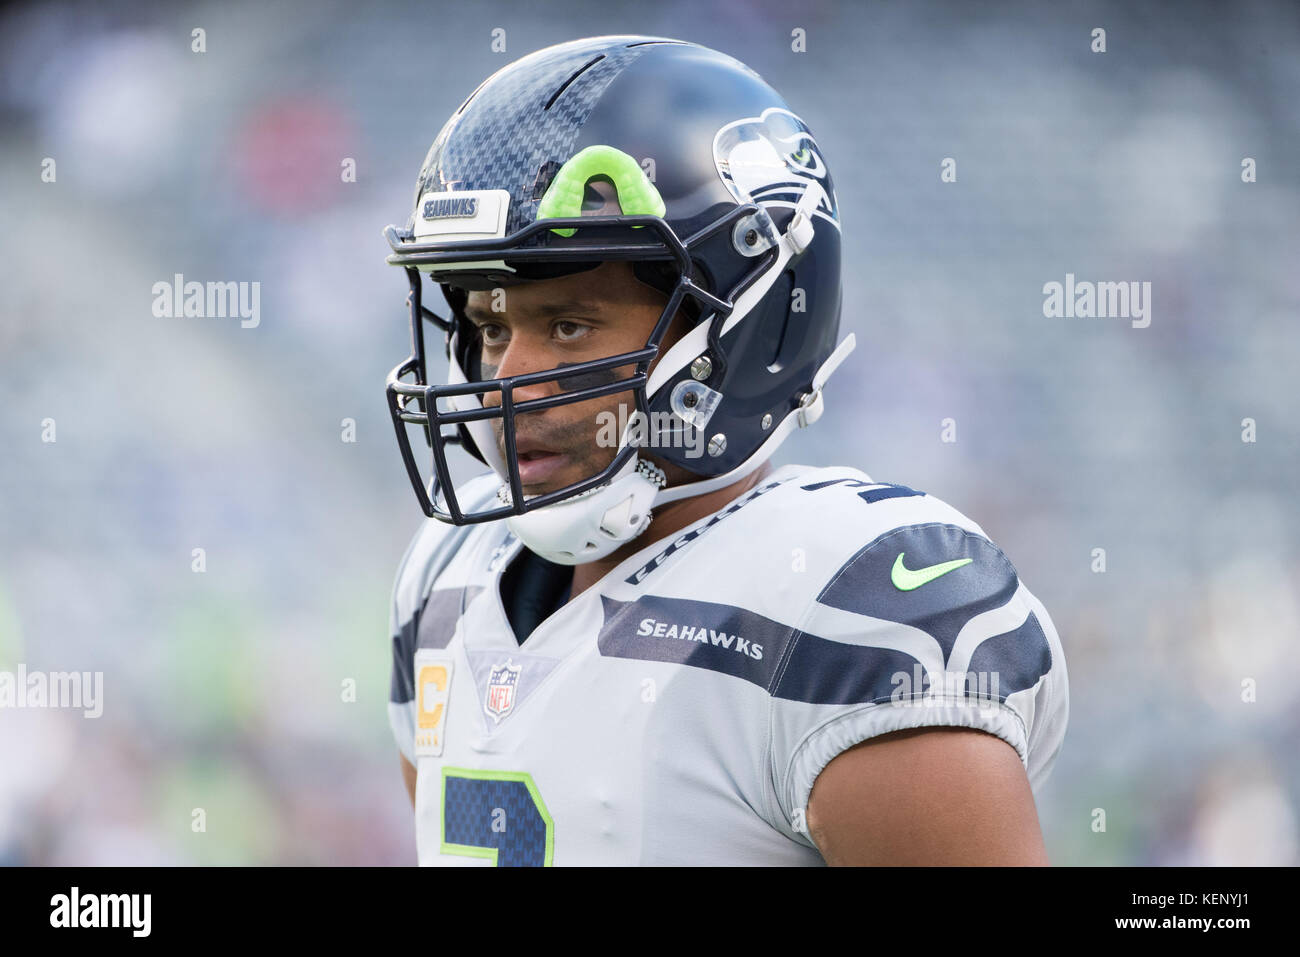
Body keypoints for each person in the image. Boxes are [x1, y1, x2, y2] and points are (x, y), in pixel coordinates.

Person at [381, 35, 1068, 865]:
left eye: (568, 325)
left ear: (749, 328)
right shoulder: (446, 575)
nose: (509, 377)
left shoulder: (856, 611)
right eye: (491, 326)